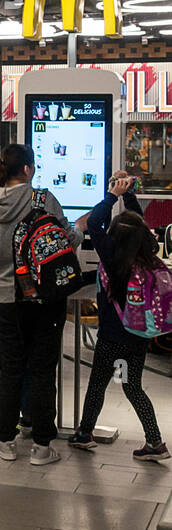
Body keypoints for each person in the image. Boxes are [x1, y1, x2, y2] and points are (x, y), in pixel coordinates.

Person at [0, 143, 82, 467]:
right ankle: (41, 446)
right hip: (44, 299)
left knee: (11, 369)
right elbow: (67, 239)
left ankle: (6, 441)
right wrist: (80, 230)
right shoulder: (43, 199)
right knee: (42, 369)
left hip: (6, 300)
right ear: (27, 169)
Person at [69, 174, 169, 460]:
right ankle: (155, 442)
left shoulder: (112, 258)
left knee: (98, 383)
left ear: (114, 237)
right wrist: (128, 194)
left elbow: (93, 223)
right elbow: (138, 223)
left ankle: (84, 433)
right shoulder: (147, 257)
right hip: (138, 335)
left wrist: (113, 195)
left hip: (112, 337)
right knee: (132, 386)